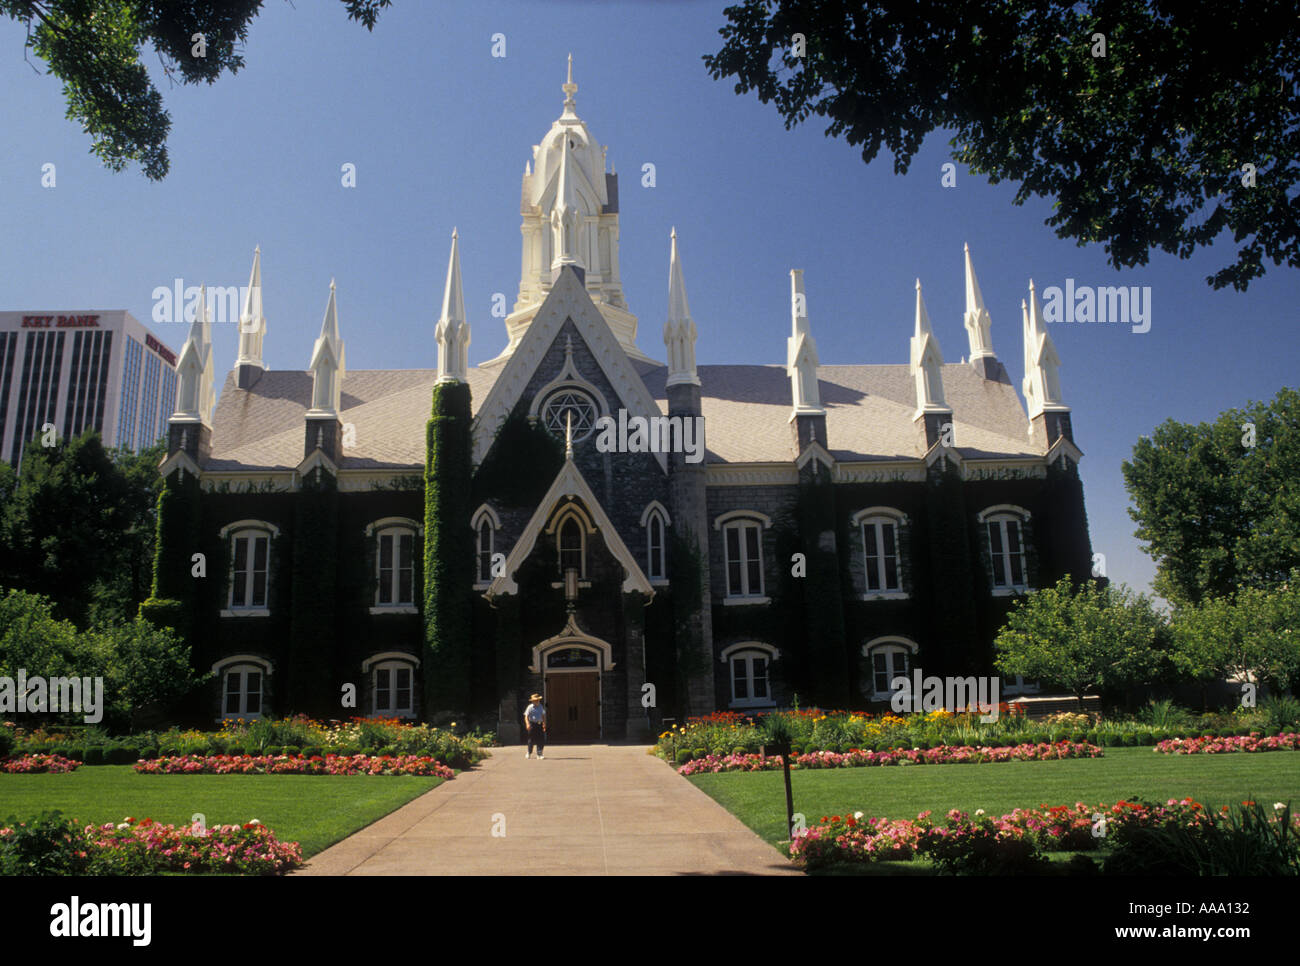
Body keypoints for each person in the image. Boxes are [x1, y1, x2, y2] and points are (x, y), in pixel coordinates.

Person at [523, 692, 547, 759]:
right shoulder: (530, 707)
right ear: (532, 701)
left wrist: (544, 724)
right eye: (535, 700)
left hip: (539, 724)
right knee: (531, 739)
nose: (536, 701)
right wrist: (527, 724)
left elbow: (543, 716)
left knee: (540, 739)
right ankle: (529, 752)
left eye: (537, 700)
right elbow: (526, 716)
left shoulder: (541, 706)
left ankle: (539, 754)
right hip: (532, 724)